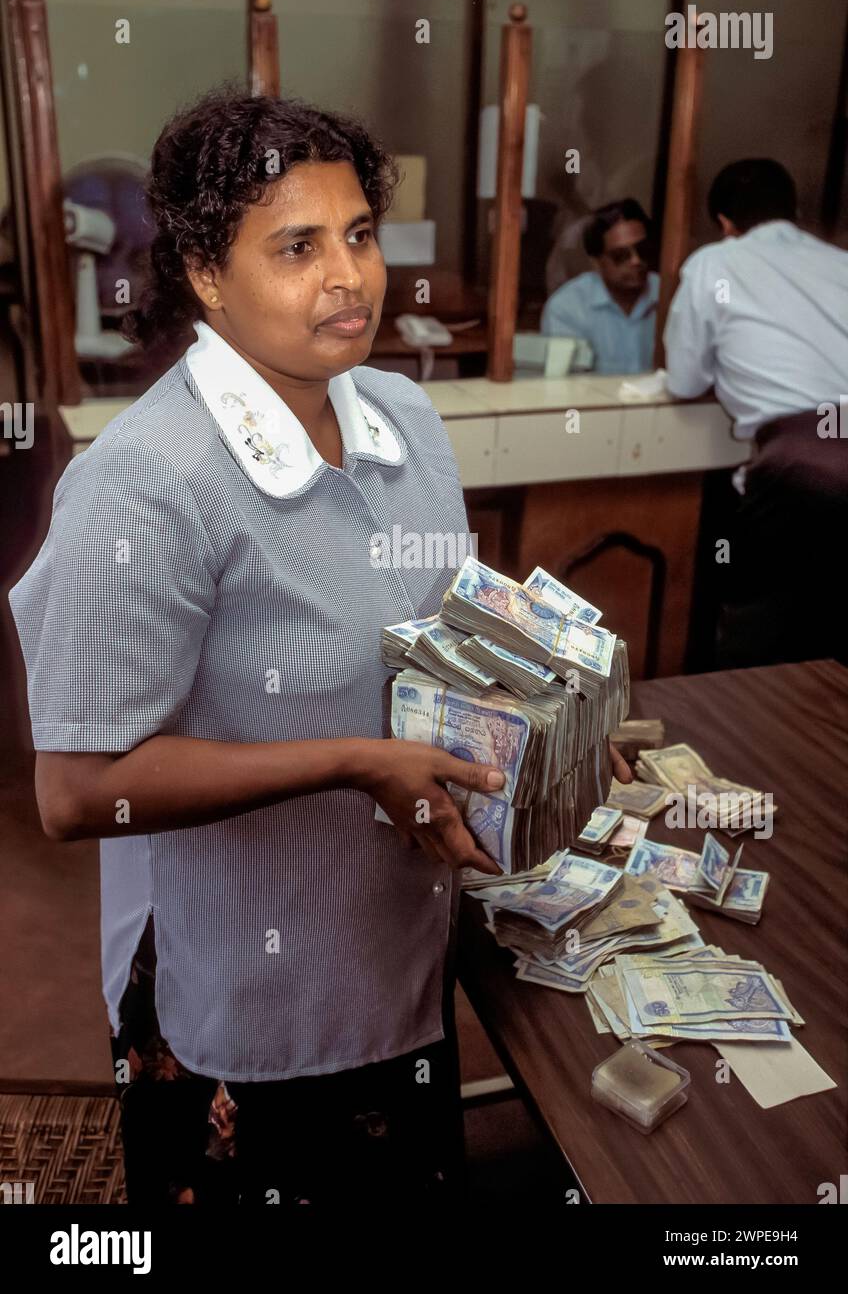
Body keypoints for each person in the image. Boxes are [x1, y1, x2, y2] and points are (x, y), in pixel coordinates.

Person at [9, 86, 516, 1209]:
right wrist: (350, 759)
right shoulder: (148, 480)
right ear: (202, 273)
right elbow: (78, 791)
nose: (347, 277)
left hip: (389, 937)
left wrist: (543, 705)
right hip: (238, 989)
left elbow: (432, 635)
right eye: (296, 247)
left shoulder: (404, 422)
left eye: (359, 234)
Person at [664, 158, 848, 668]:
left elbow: (684, 379)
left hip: (804, 468)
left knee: (762, 630)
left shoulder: (713, 264)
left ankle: (739, 738)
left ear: (724, 222)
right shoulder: (840, 263)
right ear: (793, 210)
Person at [540, 198, 659, 374]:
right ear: (596, 262)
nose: (636, 261)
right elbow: (564, 386)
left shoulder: (669, 295)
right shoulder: (568, 307)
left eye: (642, 249)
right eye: (620, 255)